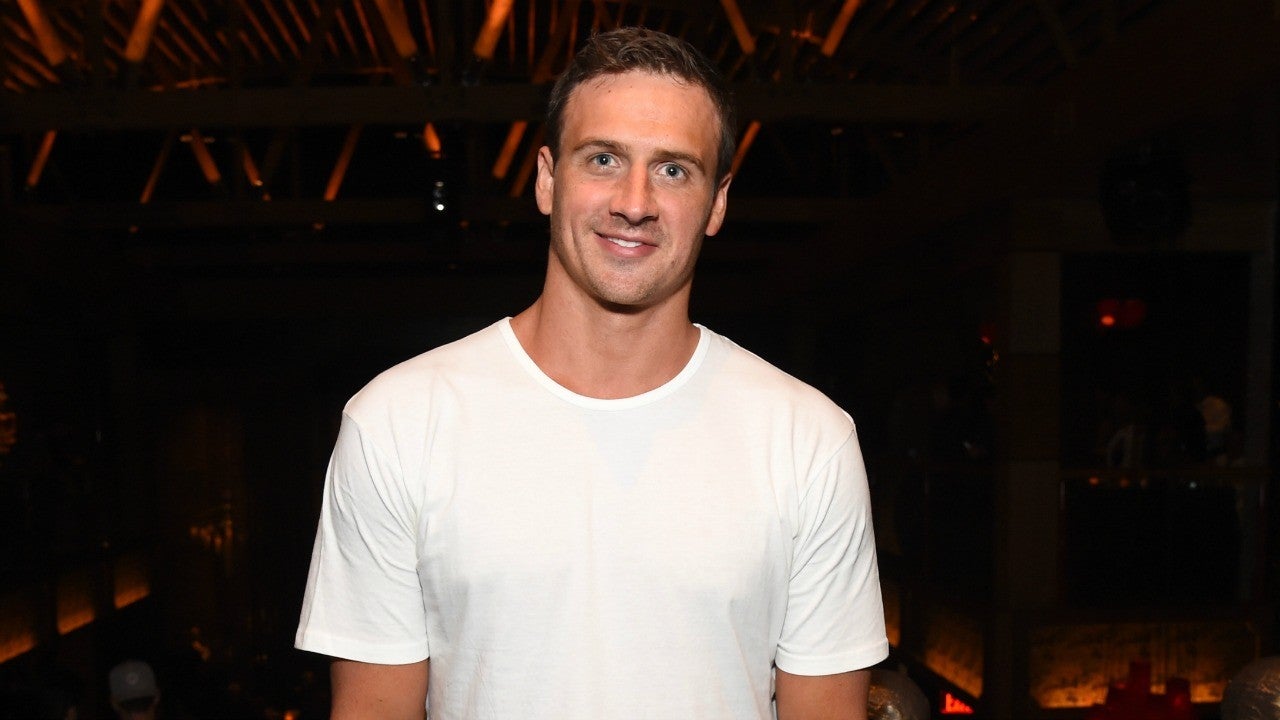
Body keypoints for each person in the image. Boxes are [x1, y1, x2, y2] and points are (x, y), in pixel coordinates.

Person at [295, 26, 888, 719]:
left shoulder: (809, 439)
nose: (634, 201)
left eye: (673, 170)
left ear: (719, 202)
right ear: (547, 179)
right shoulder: (399, 422)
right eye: (603, 159)